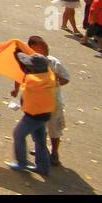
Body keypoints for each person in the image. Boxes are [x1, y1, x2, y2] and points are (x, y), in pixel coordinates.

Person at [6, 46, 57, 176]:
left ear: (34, 69)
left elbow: (24, 71)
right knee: (39, 140)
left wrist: (16, 54)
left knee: (18, 134)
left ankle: (22, 162)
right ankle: (43, 167)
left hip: (33, 116)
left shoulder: (33, 81)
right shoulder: (49, 76)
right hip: (44, 114)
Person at [25, 35, 70, 167]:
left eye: (46, 46)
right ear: (32, 48)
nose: (46, 49)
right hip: (37, 101)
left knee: (54, 128)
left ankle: (54, 153)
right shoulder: (29, 62)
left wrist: (53, 82)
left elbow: (66, 78)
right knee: (39, 127)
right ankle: (41, 149)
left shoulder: (53, 62)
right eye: (42, 46)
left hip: (53, 101)